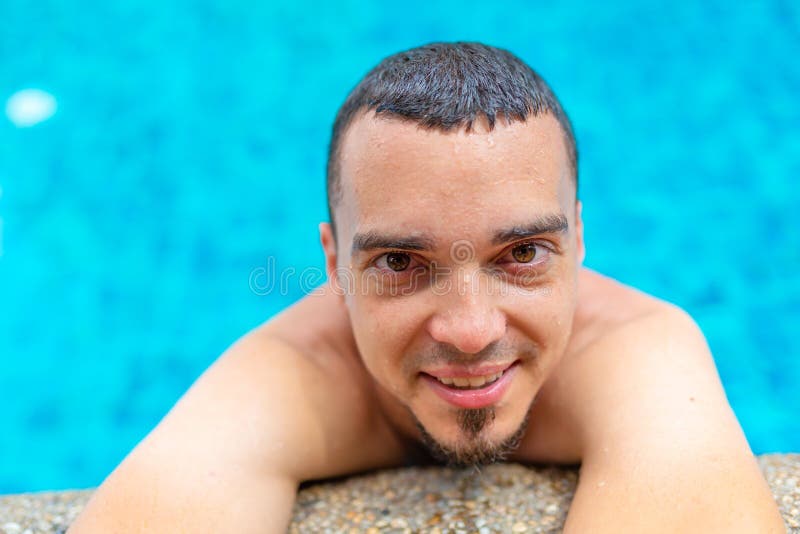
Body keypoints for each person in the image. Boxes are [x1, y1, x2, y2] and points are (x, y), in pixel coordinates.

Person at [69, 42, 785, 533]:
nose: (470, 331)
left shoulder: (635, 352)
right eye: (401, 264)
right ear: (333, 265)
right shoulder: (290, 376)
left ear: (580, 241)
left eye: (523, 252)